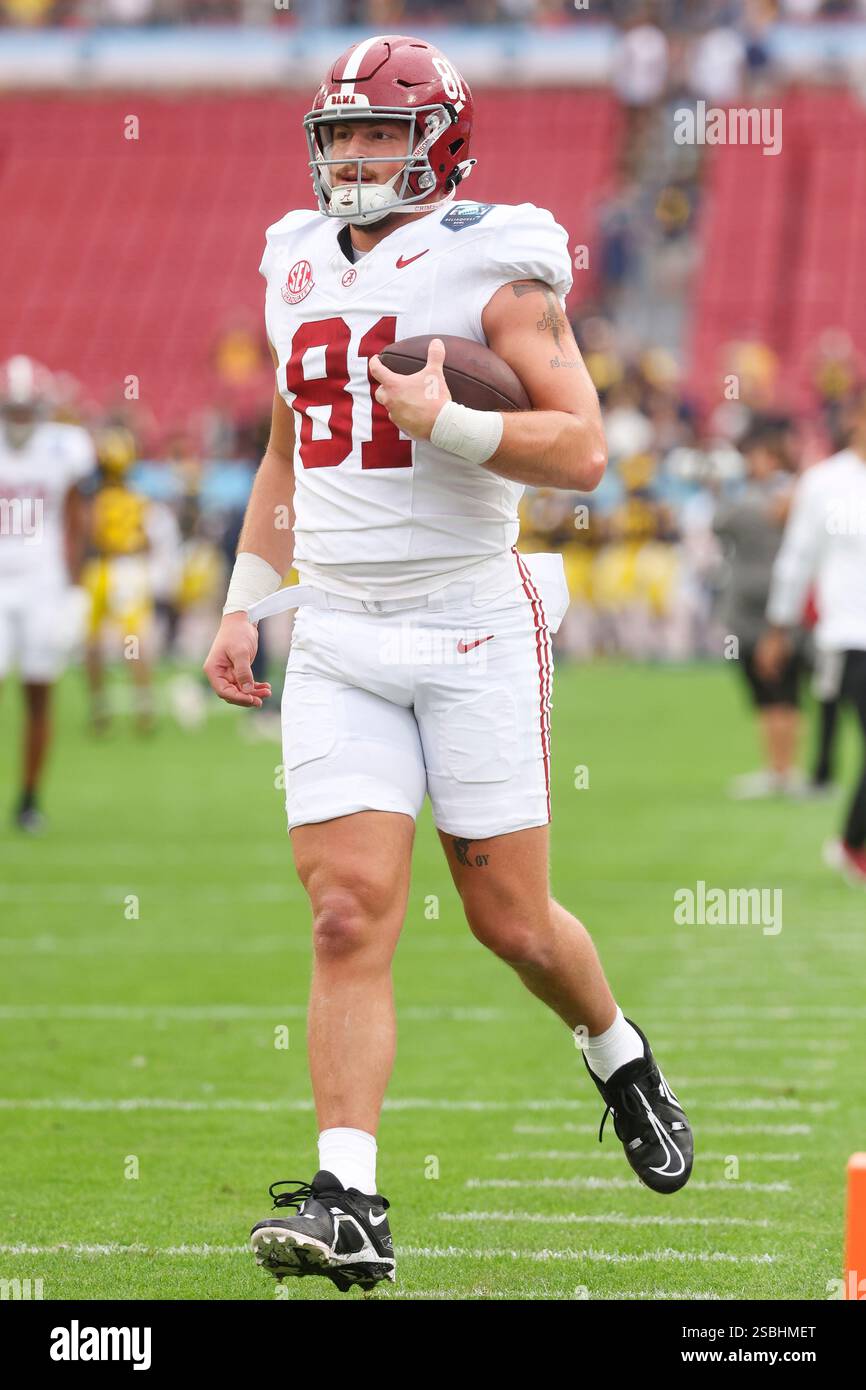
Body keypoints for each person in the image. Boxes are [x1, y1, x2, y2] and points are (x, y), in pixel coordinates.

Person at [203, 33, 694, 1295]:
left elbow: (581, 451)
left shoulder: (497, 256)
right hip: (343, 630)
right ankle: (348, 1195)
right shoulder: (294, 259)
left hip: (472, 618)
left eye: (379, 134)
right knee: (343, 911)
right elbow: (282, 455)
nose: (355, 156)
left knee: (509, 921)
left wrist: (455, 422)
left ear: (438, 143)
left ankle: (616, 1049)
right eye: (341, 134)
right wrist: (243, 601)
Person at [758, 387, 866, 884]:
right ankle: (851, 845)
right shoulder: (825, 483)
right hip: (848, 637)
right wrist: (778, 628)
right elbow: (797, 558)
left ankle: (851, 844)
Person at [0, 355, 95, 830]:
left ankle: (29, 798)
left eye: (24, 409)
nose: (18, 419)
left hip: (42, 583)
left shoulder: (64, 447)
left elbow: (78, 519)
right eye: (10, 409)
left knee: (39, 692)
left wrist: (76, 588)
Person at [713, 427, 805, 798]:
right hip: (749, 609)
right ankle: (776, 770)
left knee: (783, 688)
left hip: (779, 608)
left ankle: (785, 770)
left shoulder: (794, 495)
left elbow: (728, 521)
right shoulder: (762, 497)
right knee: (763, 693)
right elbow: (724, 524)